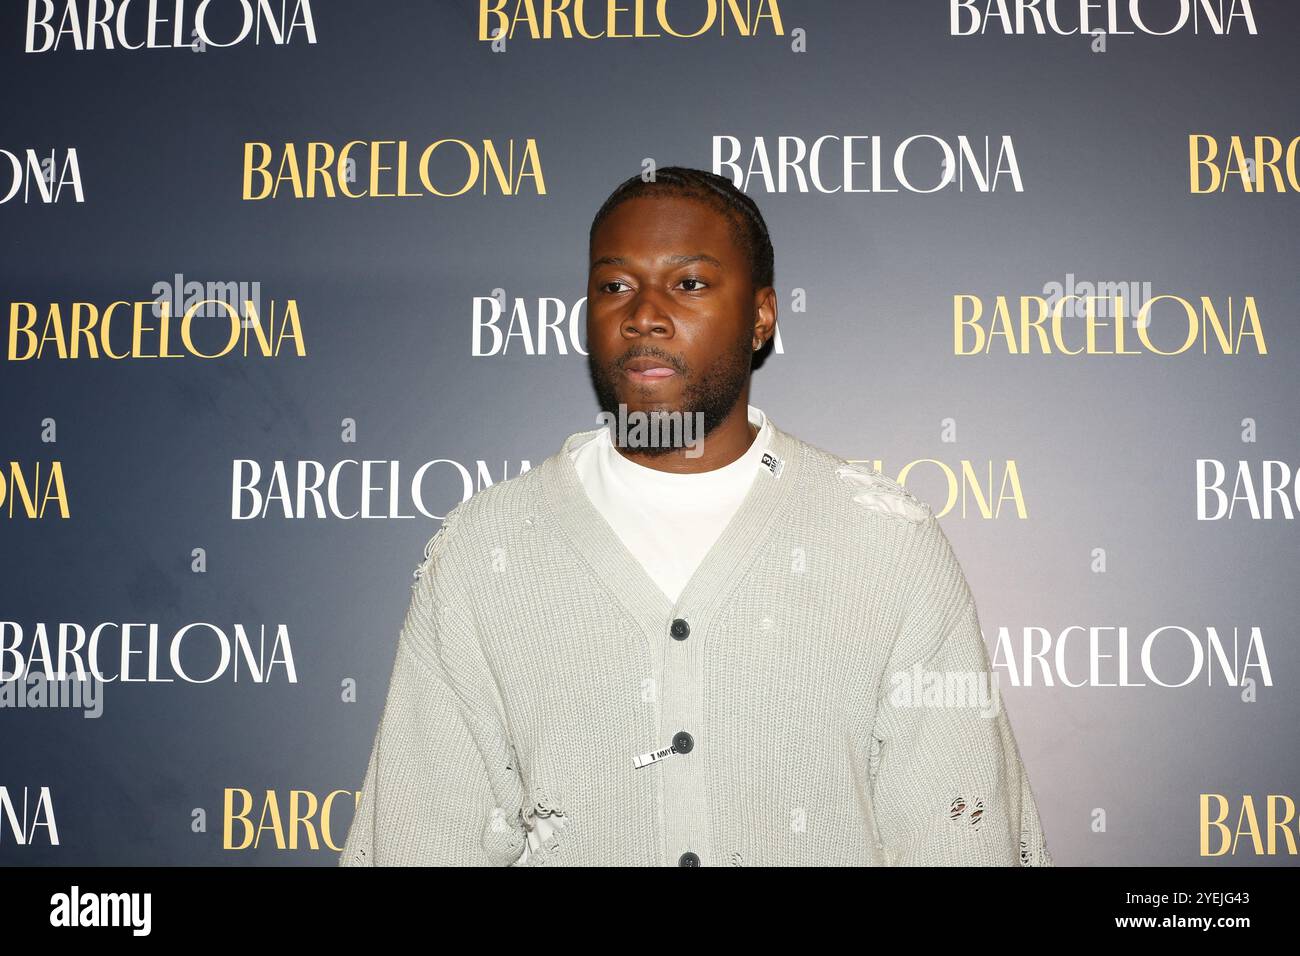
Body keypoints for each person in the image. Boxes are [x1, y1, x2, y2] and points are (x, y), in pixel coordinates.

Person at [339, 166, 1053, 866]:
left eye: (689, 284)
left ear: (762, 316)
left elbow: (957, 833)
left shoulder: (885, 543)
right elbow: (425, 832)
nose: (643, 313)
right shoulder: (485, 550)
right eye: (614, 285)